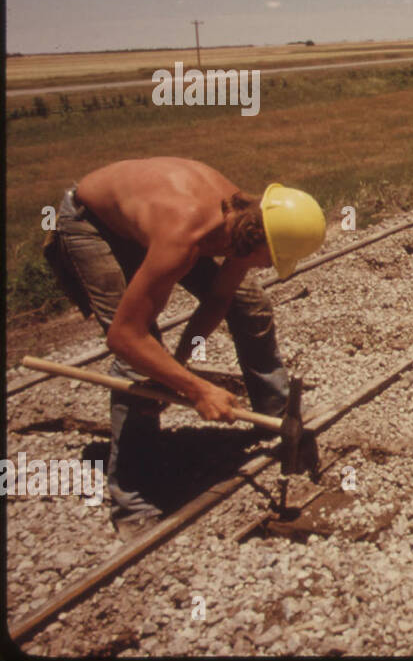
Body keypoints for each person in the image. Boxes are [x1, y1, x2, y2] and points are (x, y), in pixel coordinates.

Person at [43, 158, 326, 537]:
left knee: (249, 307)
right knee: (140, 357)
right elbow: (125, 337)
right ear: (258, 240)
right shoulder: (186, 235)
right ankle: (132, 500)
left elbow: (218, 300)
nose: (265, 268)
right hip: (92, 223)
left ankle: (276, 420)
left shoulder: (244, 220)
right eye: (271, 261)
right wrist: (196, 389)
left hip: (150, 224)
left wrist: (176, 366)